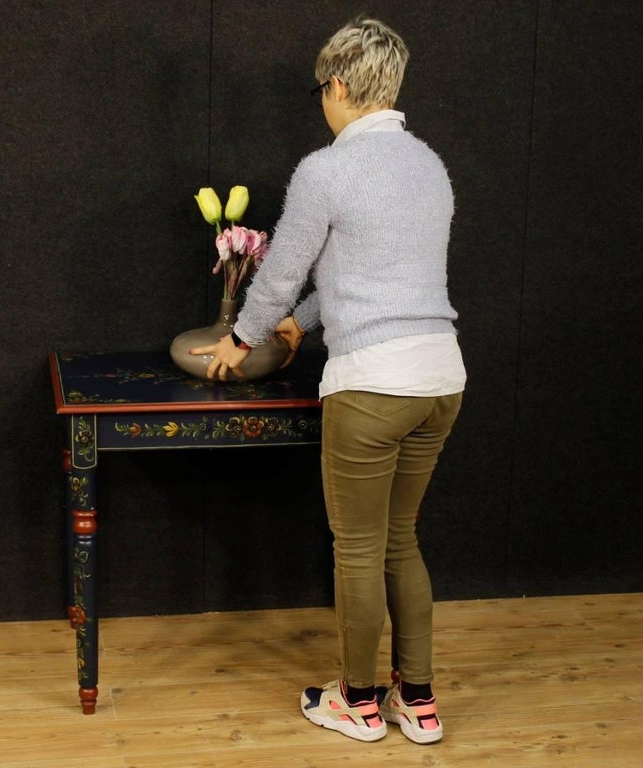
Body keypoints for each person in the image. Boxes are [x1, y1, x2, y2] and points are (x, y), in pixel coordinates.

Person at [191, 17, 465, 744]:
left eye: (322, 89)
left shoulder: (328, 169)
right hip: (441, 380)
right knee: (400, 540)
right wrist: (300, 324)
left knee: (358, 549)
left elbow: (280, 273)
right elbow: (382, 272)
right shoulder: (429, 165)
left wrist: (241, 338)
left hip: (373, 386)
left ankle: (358, 701)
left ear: (338, 85)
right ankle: (421, 703)